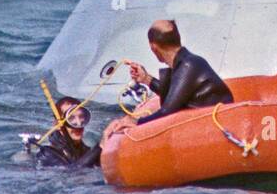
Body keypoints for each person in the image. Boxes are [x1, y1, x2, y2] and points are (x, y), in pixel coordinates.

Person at [104, 20, 233, 138]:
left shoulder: (188, 65)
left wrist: (135, 122)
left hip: (216, 126)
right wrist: (146, 79)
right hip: (206, 122)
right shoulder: (186, 62)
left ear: (153, 48)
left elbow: (167, 111)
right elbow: (176, 95)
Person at [31, 96, 102, 167]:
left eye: (81, 116)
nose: (79, 123)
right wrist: (100, 146)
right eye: (71, 118)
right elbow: (74, 171)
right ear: (57, 124)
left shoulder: (85, 151)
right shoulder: (47, 155)